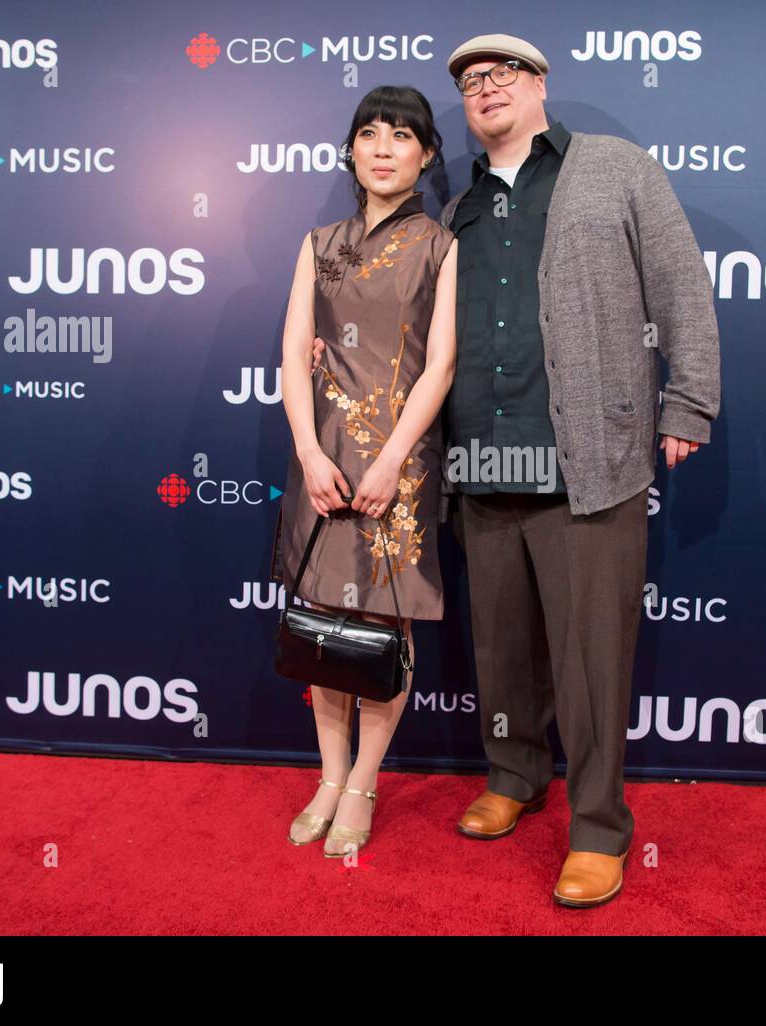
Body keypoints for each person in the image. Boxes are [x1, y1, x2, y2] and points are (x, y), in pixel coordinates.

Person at [439, 34, 721, 906]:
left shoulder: (613, 168)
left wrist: (690, 402)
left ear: (538, 84)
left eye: (501, 75)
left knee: (593, 659)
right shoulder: (457, 208)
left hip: (589, 460)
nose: (485, 90)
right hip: (481, 458)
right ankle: (515, 773)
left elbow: (680, 283)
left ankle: (599, 826)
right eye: (470, 83)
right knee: (502, 645)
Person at [270, 85, 457, 858]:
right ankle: (328, 773)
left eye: (401, 134)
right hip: (321, 461)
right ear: (351, 150)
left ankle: (364, 782)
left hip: (398, 466)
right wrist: (311, 453)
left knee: (382, 630)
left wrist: (391, 461)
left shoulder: (444, 247)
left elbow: (440, 364)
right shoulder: (318, 243)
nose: (383, 147)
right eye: (369, 133)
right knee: (321, 625)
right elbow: (290, 354)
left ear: (428, 154)